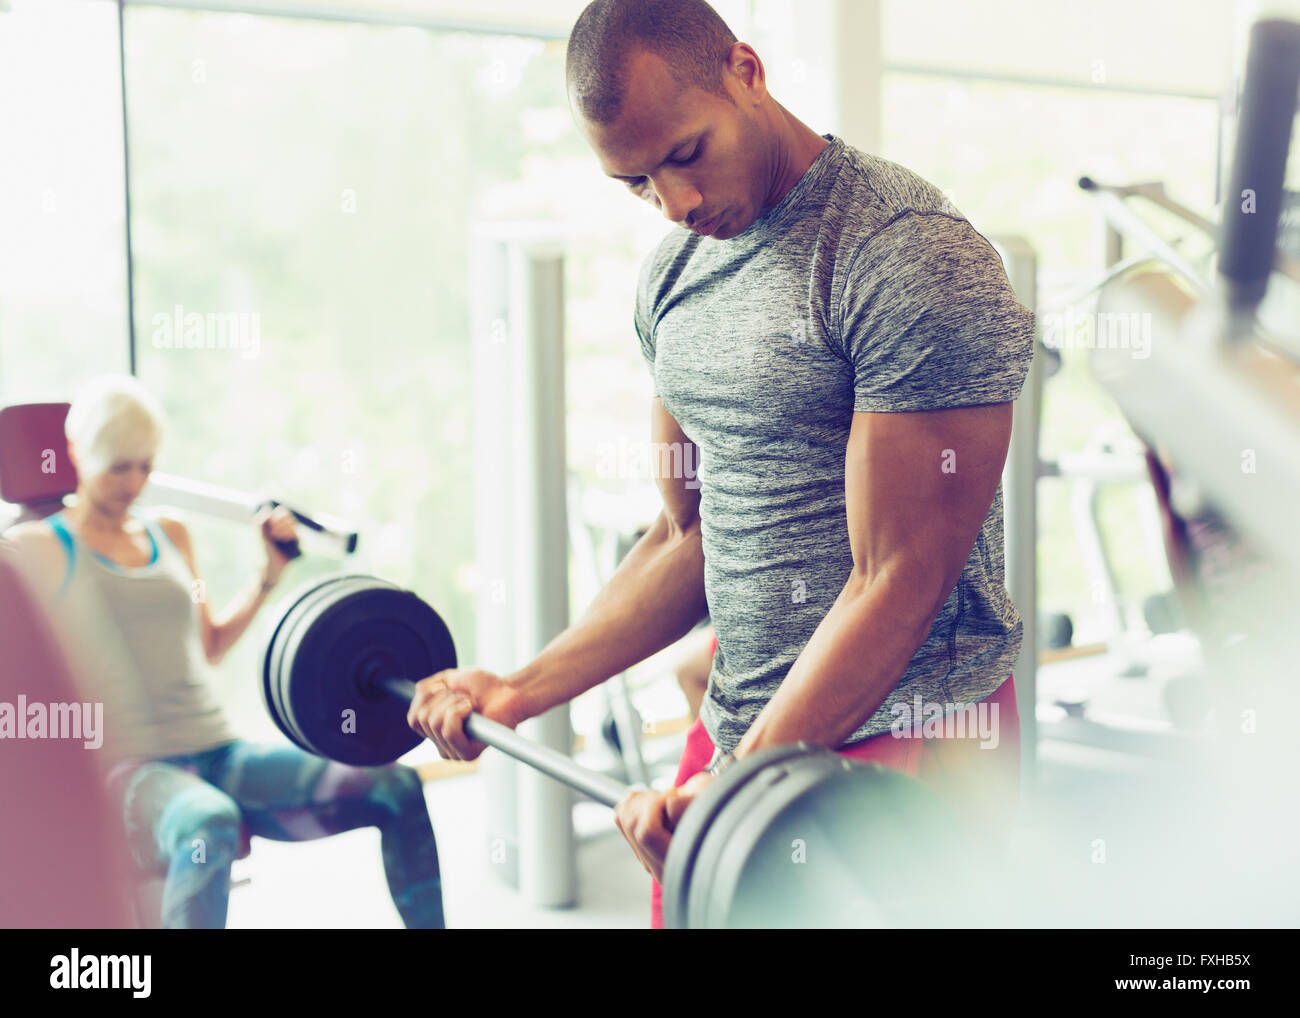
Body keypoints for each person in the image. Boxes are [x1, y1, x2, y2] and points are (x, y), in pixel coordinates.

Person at [408, 0, 1034, 928]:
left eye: (687, 154)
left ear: (747, 70)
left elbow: (900, 578)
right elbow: (687, 537)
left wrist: (742, 788)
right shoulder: (672, 281)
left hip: (910, 742)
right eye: (636, 182)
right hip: (744, 736)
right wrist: (522, 687)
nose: (678, 204)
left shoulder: (905, 257)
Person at [6, 375, 445, 929]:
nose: (134, 482)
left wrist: (269, 575)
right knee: (207, 823)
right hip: (131, 773)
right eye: (119, 467)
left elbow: (209, 645)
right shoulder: (41, 546)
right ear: (77, 453)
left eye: (145, 465)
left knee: (396, 786)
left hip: (220, 754)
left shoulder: (170, 534)